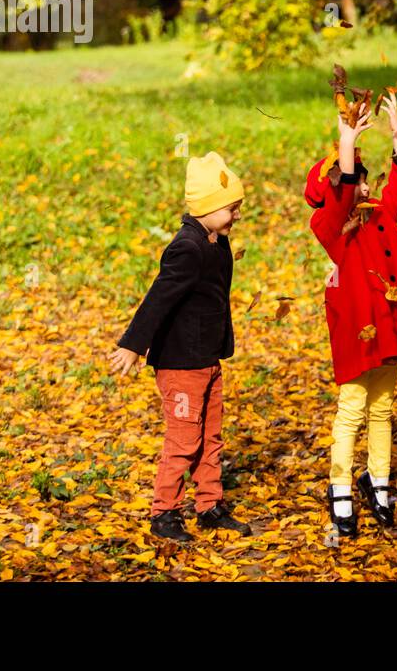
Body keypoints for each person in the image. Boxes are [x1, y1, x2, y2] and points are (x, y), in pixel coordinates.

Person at [306, 94, 397, 536]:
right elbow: (341, 191)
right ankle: (340, 486)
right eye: (357, 183)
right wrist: (346, 140)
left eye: (366, 182)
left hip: (389, 329)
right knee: (351, 409)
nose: (364, 189)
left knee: (382, 408)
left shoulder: (380, 214)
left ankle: (379, 480)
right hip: (356, 331)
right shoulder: (330, 226)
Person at [109, 151, 253, 541]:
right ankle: (164, 513)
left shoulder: (216, 241)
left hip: (207, 359)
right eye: (232, 208)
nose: (238, 215)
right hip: (180, 364)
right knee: (184, 440)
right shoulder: (186, 248)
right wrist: (133, 346)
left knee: (211, 437)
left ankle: (209, 505)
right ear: (207, 206)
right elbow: (160, 297)